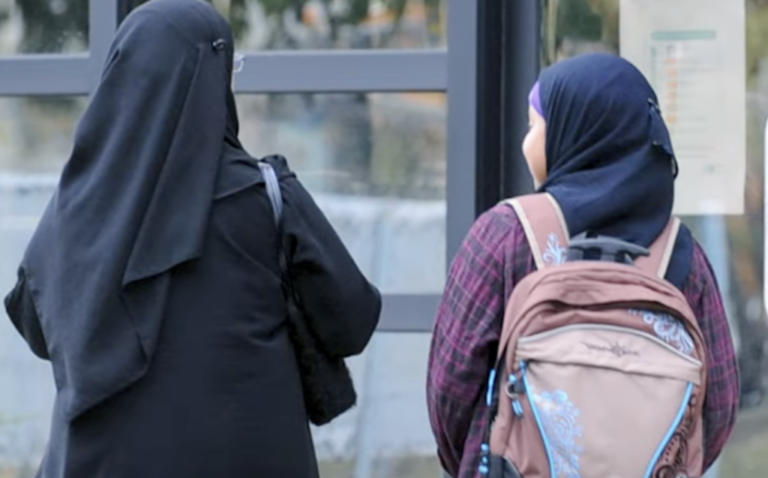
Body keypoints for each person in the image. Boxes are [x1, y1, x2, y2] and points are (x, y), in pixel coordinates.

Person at [3, 1, 381, 477]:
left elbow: (39, 330)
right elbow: (354, 319)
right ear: (211, 73)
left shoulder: (76, 205)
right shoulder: (265, 196)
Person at [426, 53, 739, 478]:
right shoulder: (681, 254)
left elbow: (450, 391)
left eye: (535, 125)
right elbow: (717, 406)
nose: (525, 141)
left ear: (573, 132)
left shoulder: (506, 234)